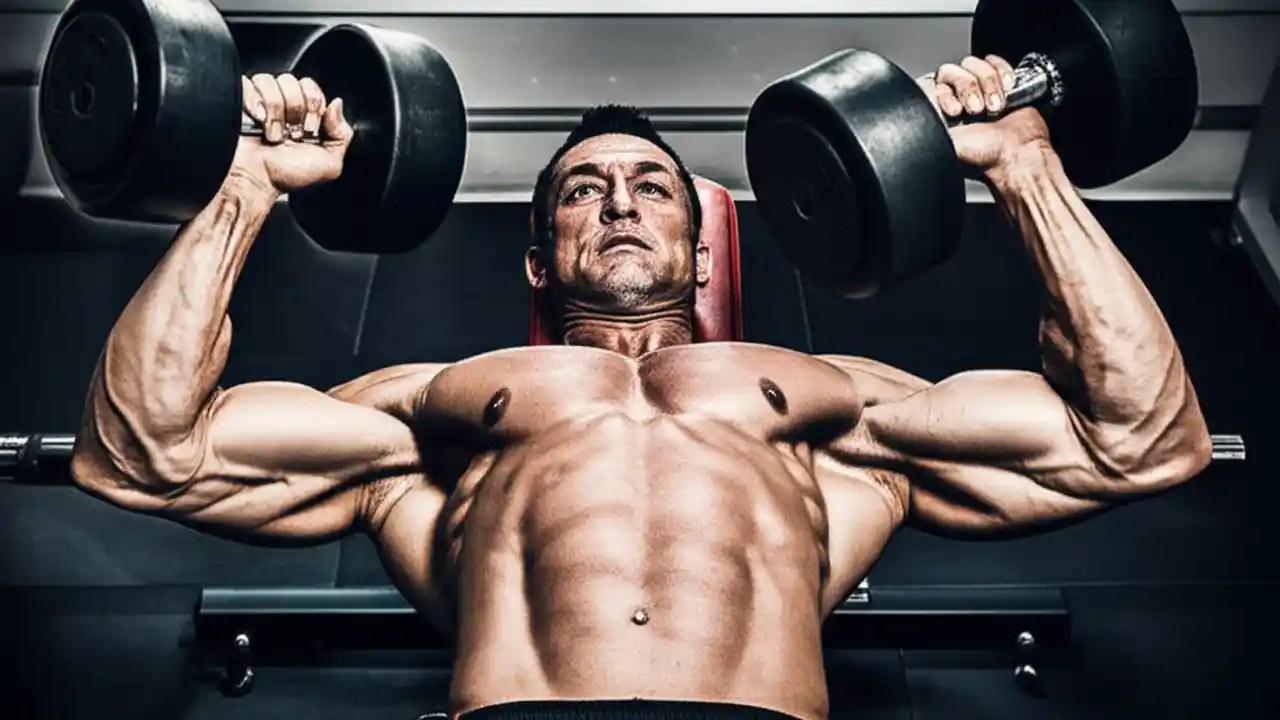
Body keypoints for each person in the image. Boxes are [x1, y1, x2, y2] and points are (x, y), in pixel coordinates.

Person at [68, 55, 1211, 720]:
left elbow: (1138, 438)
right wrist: (246, 187)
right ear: (535, 257)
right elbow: (141, 451)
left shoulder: (830, 406)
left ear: (704, 250)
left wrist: (1023, 167)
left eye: (650, 188)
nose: (616, 204)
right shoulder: (435, 411)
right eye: (579, 192)